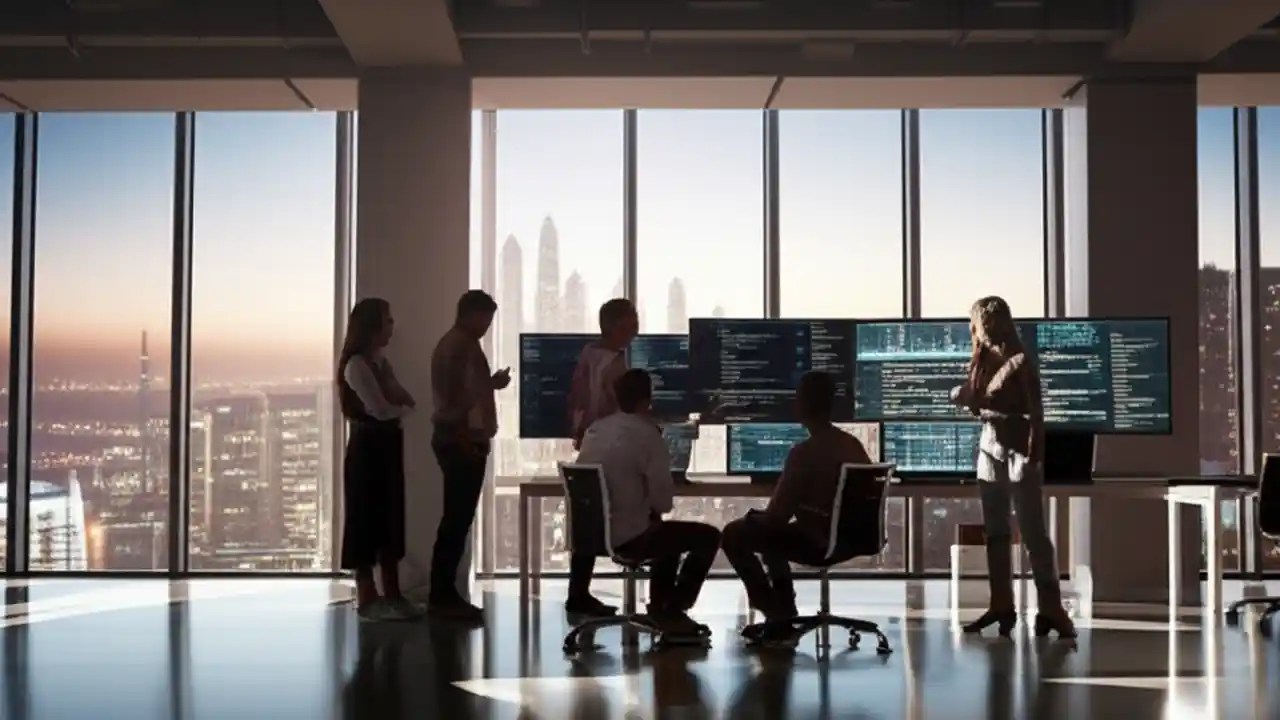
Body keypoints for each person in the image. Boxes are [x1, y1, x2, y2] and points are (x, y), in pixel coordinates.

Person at [949, 295, 1076, 639]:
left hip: (1019, 448)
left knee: (1033, 531)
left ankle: (1051, 607)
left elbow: (1036, 413)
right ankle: (1001, 604)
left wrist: (1034, 456)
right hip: (990, 446)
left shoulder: (1020, 361)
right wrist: (966, 397)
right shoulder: (980, 360)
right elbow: (978, 403)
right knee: (996, 532)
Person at [721, 371, 873, 647]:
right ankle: (782, 610)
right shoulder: (852, 444)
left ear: (801, 404)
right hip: (850, 539)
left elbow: (777, 515)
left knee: (734, 534)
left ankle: (775, 612)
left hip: (818, 541)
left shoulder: (804, 453)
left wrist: (754, 518)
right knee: (773, 536)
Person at [576, 369, 721, 636]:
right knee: (708, 536)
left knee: (664, 533)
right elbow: (663, 503)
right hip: (630, 538)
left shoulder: (595, 429)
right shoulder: (648, 435)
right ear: (647, 400)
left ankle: (661, 607)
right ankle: (673, 609)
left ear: (617, 397)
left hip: (592, 534)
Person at [337, 297, 420, 622]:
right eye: (388, 320)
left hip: (385, 445)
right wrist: (400, 408)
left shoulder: (380, 363)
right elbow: (383, 408)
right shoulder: (357, 366)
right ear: (372, 326)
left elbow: (402, 399)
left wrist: (397, 405)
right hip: (368, 449)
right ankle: (368, 598)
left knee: (390, 518)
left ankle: (393, 595)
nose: (392, 326)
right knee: (365, 518)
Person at [428, 289, 508, 621]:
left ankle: (444, 594)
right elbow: (454, 401)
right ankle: (442, 596)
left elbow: (465, 390)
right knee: (456, 522)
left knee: (457, 520)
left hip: (461, 440)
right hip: (461, 441)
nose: (488, 326)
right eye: (486, 319)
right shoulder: (459, 347)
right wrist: (465, 439)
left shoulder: (457, 345)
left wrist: (489, 385)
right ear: (473, 314)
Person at [564, 298, 640, 617]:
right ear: (612, 326)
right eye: (629, 325)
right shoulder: (616, 365)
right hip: (612, 450)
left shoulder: (588, 354)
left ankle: (578, 593)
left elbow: (577, 399)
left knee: (588, 519)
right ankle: (664, 604)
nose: (635, 331)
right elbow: (625, 410)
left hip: (589, 448)